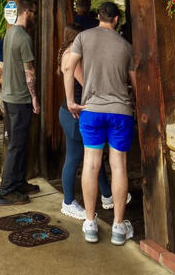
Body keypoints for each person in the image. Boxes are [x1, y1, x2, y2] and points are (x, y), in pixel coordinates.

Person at [63, 1, 136, 245]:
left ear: (98, 17)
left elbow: (68, 68)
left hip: (91, 110)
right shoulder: (126, 46)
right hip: (120, 112)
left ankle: (91, 222)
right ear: (116, 19)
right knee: (118, 166)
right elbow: (135, 84)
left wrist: (71, 100)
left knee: (91, 165)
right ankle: (117, 227)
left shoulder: (83, 38)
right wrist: (133, 105)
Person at [58, 23, 118, 220]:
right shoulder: (73, 56)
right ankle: (68, 202)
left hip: (75, 112)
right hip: (75, 114)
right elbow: (87, 84)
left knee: (94, 155)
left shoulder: (72, 53)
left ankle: (108, 195)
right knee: (74, 157)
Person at [0, 0, 41, 205]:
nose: (35, 16)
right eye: (33, 12)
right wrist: (34, 98)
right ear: (25, 12)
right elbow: (28, 72)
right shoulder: (24, 38)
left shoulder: (10, 33)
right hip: (20, 98)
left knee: (20, 143)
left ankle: (18, 182)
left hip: (9, 95)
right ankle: (5, 191)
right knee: (16, 144)